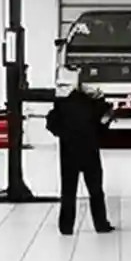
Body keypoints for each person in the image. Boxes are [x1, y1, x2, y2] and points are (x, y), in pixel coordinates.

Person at [46, 81, 116, 235]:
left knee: (68, 191)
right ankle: (101, 224)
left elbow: (51, 124)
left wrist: (64, 134)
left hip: (68, 151)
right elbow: (103, 126)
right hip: (89, 151)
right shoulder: (96, 105)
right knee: (95, 190)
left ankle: (66, 227)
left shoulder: (63, 104)